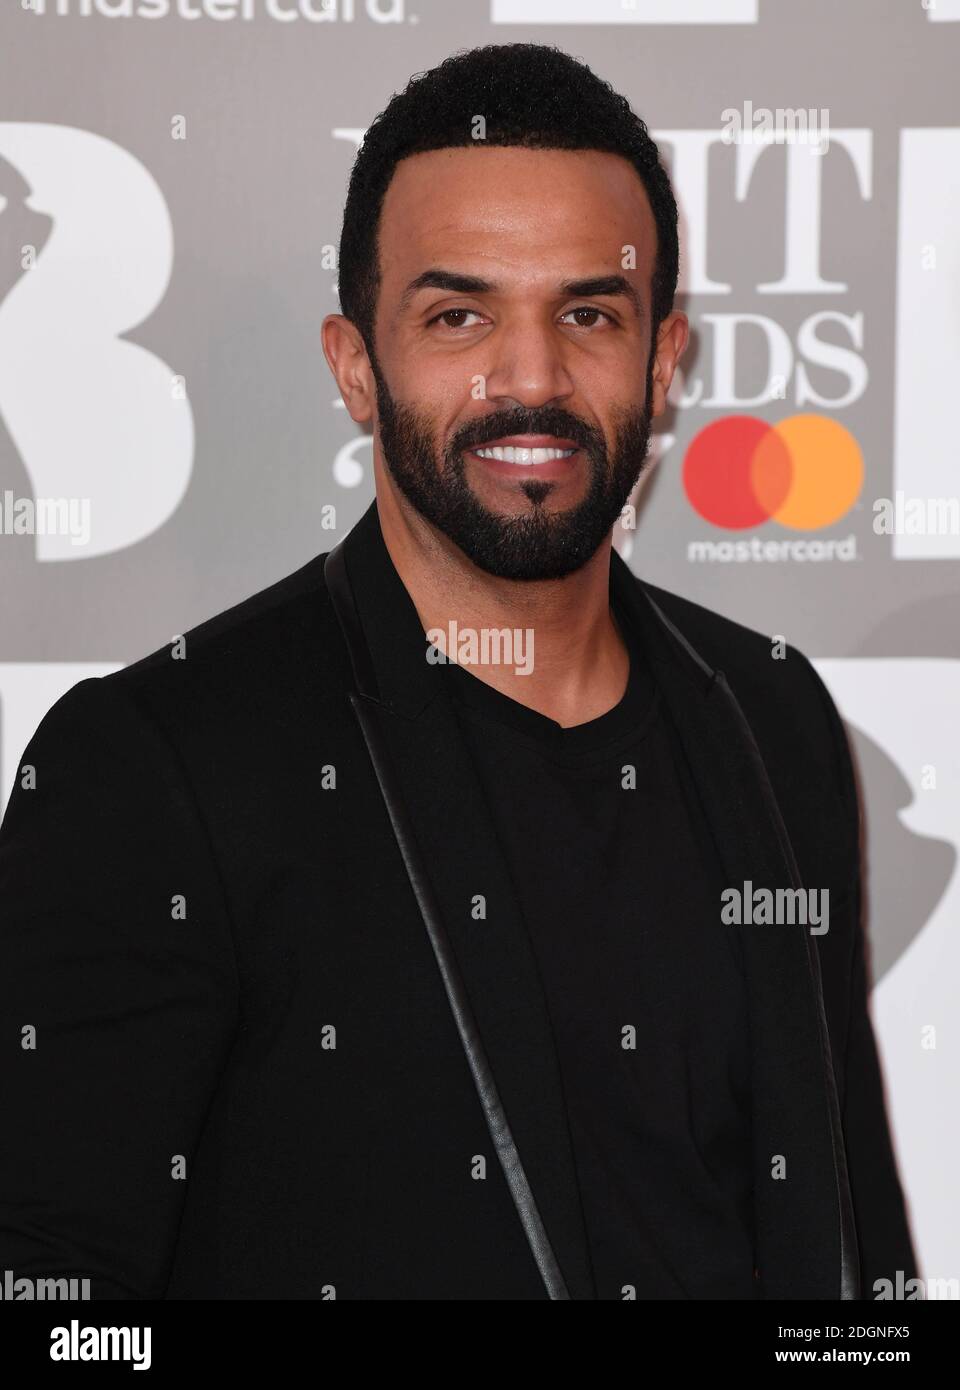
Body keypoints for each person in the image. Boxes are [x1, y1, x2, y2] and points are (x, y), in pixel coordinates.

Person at [0, 43, 916, 1300]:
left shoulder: (771, 712)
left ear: (663, 361)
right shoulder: (157, 764)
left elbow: (848, 1227)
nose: (529, 379)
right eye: (459, 316)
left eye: (588, 313)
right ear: (353, 366)